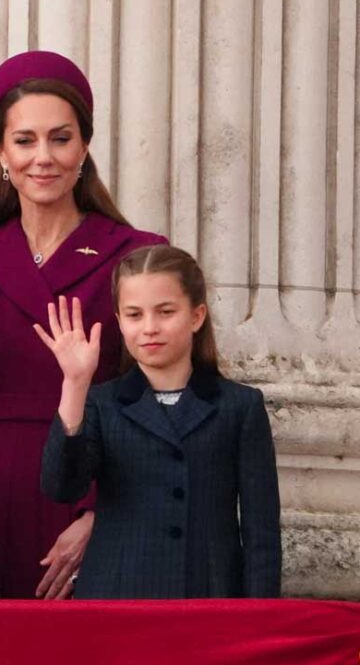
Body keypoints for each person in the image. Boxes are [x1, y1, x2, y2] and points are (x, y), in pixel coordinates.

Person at [0, 51, 166, 598]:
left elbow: (156, 399)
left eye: (60, 138)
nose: (42, 157)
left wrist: (101, 511)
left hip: (96, 482)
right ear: (1, 151)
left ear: (84, 146)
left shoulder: (137, 254)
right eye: (24, 140)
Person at [37, 245, 281, 598]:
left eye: (165, 312)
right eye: (134, 315)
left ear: (196, 316)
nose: (150, 328)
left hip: (208, 597)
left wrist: (260, 623)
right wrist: (74, 385)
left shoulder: (239, 406)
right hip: (118, 598)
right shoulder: (101, 403)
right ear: (119, 322)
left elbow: (262, 535)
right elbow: (61, 487)